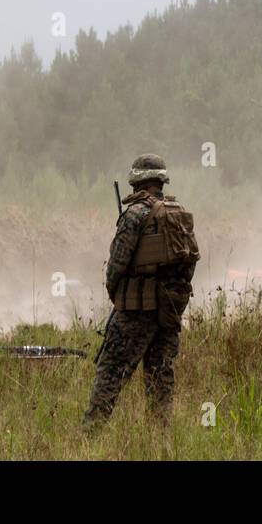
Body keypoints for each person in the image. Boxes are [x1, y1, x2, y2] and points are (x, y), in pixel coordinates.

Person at [84, 154, 200, 426]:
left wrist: (121, 298)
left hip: (135, 311)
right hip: (168, 313)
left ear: (137, 182)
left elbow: (116, 266)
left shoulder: (134, 214)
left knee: (110, 373)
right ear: (160, 180)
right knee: (160, 380)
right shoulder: (178, 211)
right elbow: (190, 263)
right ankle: (158, 442)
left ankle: (90, 437)